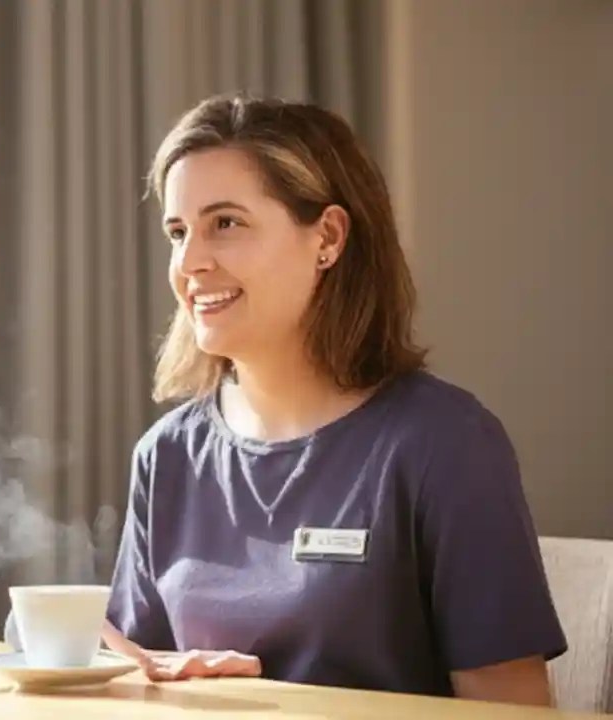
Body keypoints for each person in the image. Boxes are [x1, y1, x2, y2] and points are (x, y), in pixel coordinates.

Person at [102, 94, 566, 705]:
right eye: (178, 231)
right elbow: (132, 682)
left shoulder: (445, 445)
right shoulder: (167, 458)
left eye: (226, 223)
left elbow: (512, 712)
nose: (190, 261)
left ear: (328, 236)